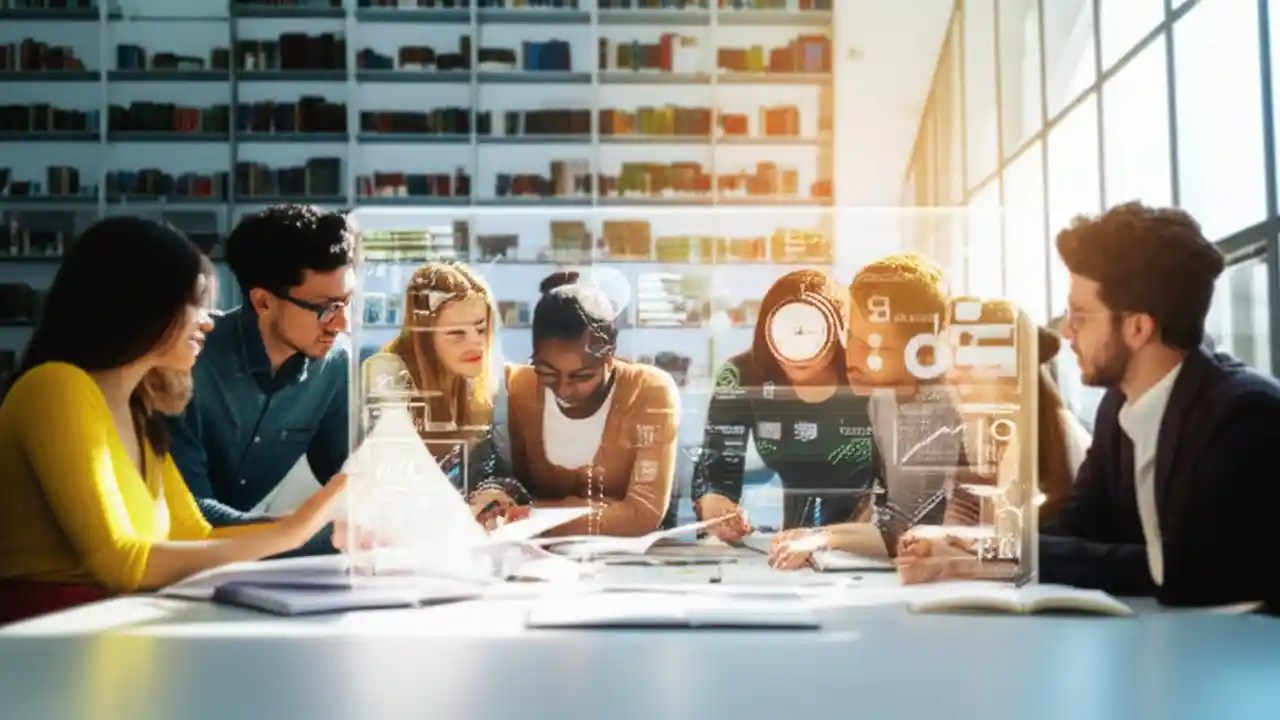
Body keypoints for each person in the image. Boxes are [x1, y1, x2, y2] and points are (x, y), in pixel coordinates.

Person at [901, 202, 1280, 610]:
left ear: (1137, 328)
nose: (1066, 332)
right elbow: (1077, 526)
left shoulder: (1244, 418)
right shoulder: (1118, 407)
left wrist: (996, 556)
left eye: (1080, 316)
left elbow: (1180, 569)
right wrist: (972, 548)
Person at [0, 217, 345, 623]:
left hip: (114, 624)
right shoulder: (56, 387)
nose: (208, 321)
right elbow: (122, 562)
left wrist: (319, 518)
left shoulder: (139, 411)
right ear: (140, 305)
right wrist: (299, 527)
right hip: (45, 633)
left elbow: (197, 535)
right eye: (194, 304)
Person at [169, 205, 353, 543]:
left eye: (346, 302)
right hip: (173, 550)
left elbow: (350, 476)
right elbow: (190, 514)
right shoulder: (187, 359)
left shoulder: (334, 363)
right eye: (327, 308)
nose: (341, 324)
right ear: (263, 301)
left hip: (253, 553)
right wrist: (314, 535)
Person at [692, 270, 880, 539]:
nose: (799, 354)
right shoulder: (742, 376)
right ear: (766, 332)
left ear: (839, 331)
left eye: (812, 332)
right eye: (787, 332)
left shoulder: (866, 376)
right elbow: (717, 464)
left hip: (868, 533)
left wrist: (868, 524)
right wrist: (715, 500)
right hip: (794, 540)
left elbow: (900, 479)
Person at [497, 270, 679, 537]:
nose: (563, 389)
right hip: (533, 556)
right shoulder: (519, 388)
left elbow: (642, 514)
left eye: (582, 376)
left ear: (610, 358)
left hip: (625, 557)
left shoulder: (648, 391)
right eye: (547, 373)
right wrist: (602, 511)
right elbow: (503, 494)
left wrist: (535, 515)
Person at [361, 261, 530, 526]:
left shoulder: (481, 382)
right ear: (426, 337)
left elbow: (491, 470)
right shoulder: (387, 372)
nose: (476, 342)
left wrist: (492, 494)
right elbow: (387, 487)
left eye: (480, 329)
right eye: (456, 333)